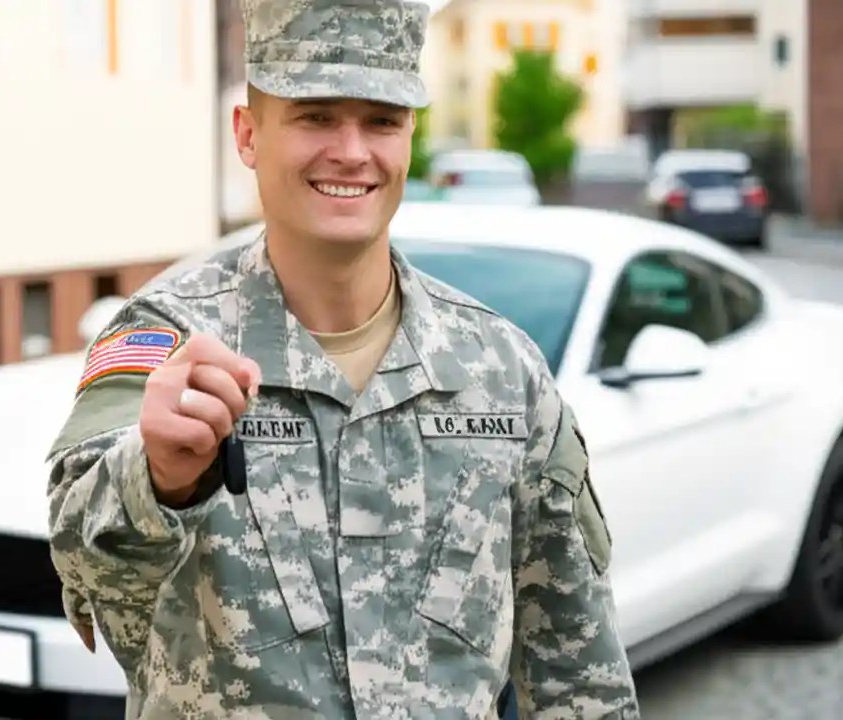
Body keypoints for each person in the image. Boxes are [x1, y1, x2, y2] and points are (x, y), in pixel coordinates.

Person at [45, 0, 640, 717]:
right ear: (248, 133)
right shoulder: (167, 342)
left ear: (410, 137)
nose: (353, 151)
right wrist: (159, 479)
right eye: (317, 115)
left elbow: (579, 669)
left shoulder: (501, 369)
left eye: (382, 119)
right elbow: (85, 576)